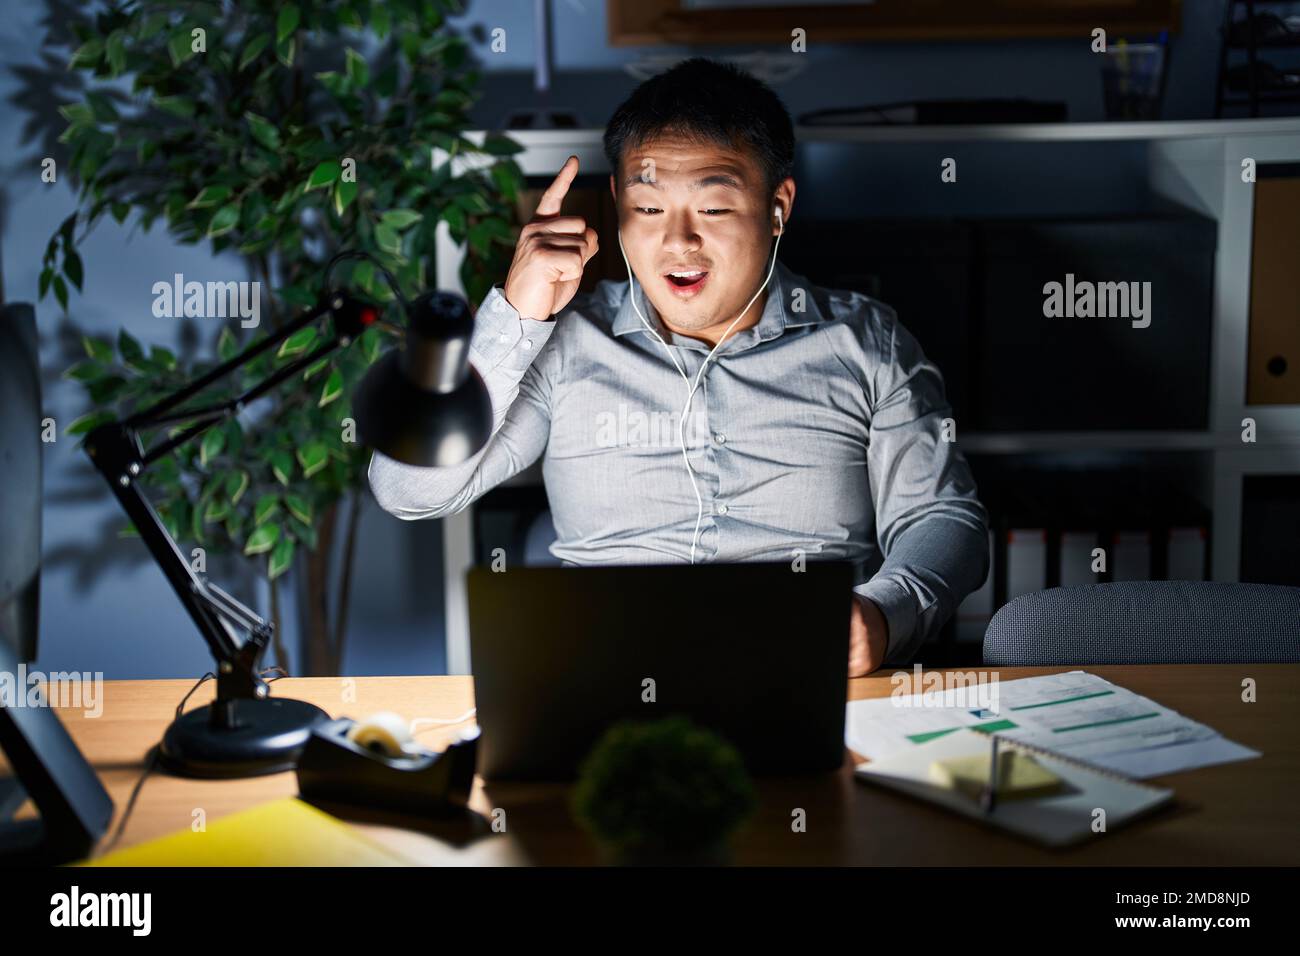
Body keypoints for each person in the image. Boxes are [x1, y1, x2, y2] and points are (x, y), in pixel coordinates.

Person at [369, 58, 989, 674]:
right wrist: (516, 320)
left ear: (778, 207)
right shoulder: (566, 344)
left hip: (806, 671)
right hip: (606, 675)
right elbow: (409, 492)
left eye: (714, 209)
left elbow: (942, 515)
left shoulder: (866, 342)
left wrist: (883, 615)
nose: (679, 242)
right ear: (616, 205)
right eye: (648, 210)